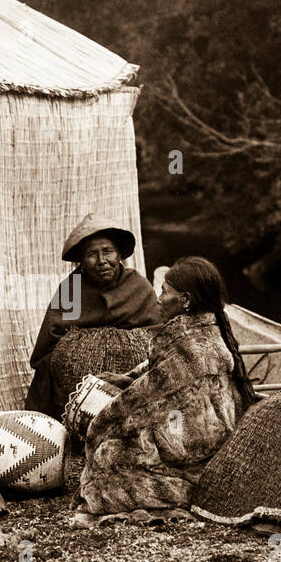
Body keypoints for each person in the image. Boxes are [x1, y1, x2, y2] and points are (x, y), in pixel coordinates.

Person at [75, 255, 258, 520]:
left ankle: (183, 492)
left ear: (184, 301)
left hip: (194, 447)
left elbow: (144, 398)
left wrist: (100, 423)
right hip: (199, 434)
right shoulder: (206, 330)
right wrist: (127, 377)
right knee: (115, 450)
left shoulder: (189, 344)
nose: (158, 299)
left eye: (164, 292)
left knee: (108, 455)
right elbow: (157, 373)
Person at [22, 213, 161, 416]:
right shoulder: (72, 289)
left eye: (108, 251)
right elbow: (48, 348)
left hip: (130, 384)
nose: (102, 261)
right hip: (77, 387)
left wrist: (122, 348)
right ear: (81, 261)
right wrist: (79, 356)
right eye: (92, 254)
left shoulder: (137, 285)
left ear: (119, 254)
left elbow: (157, 334)